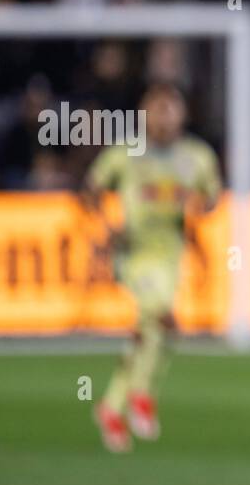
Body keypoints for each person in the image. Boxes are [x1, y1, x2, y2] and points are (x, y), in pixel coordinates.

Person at [82, 83, 220, 452]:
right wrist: (107, 228)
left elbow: (211, 200)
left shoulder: (197, 156)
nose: (162, 117)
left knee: (152, 331)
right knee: (161, 316)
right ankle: (141, 395)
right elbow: (91, 189)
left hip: (170, 255)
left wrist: (200, 207)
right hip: (134, 254)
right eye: (155, 109)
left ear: (182, 115)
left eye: (169, 109)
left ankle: (113, 405)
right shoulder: (128, 152)